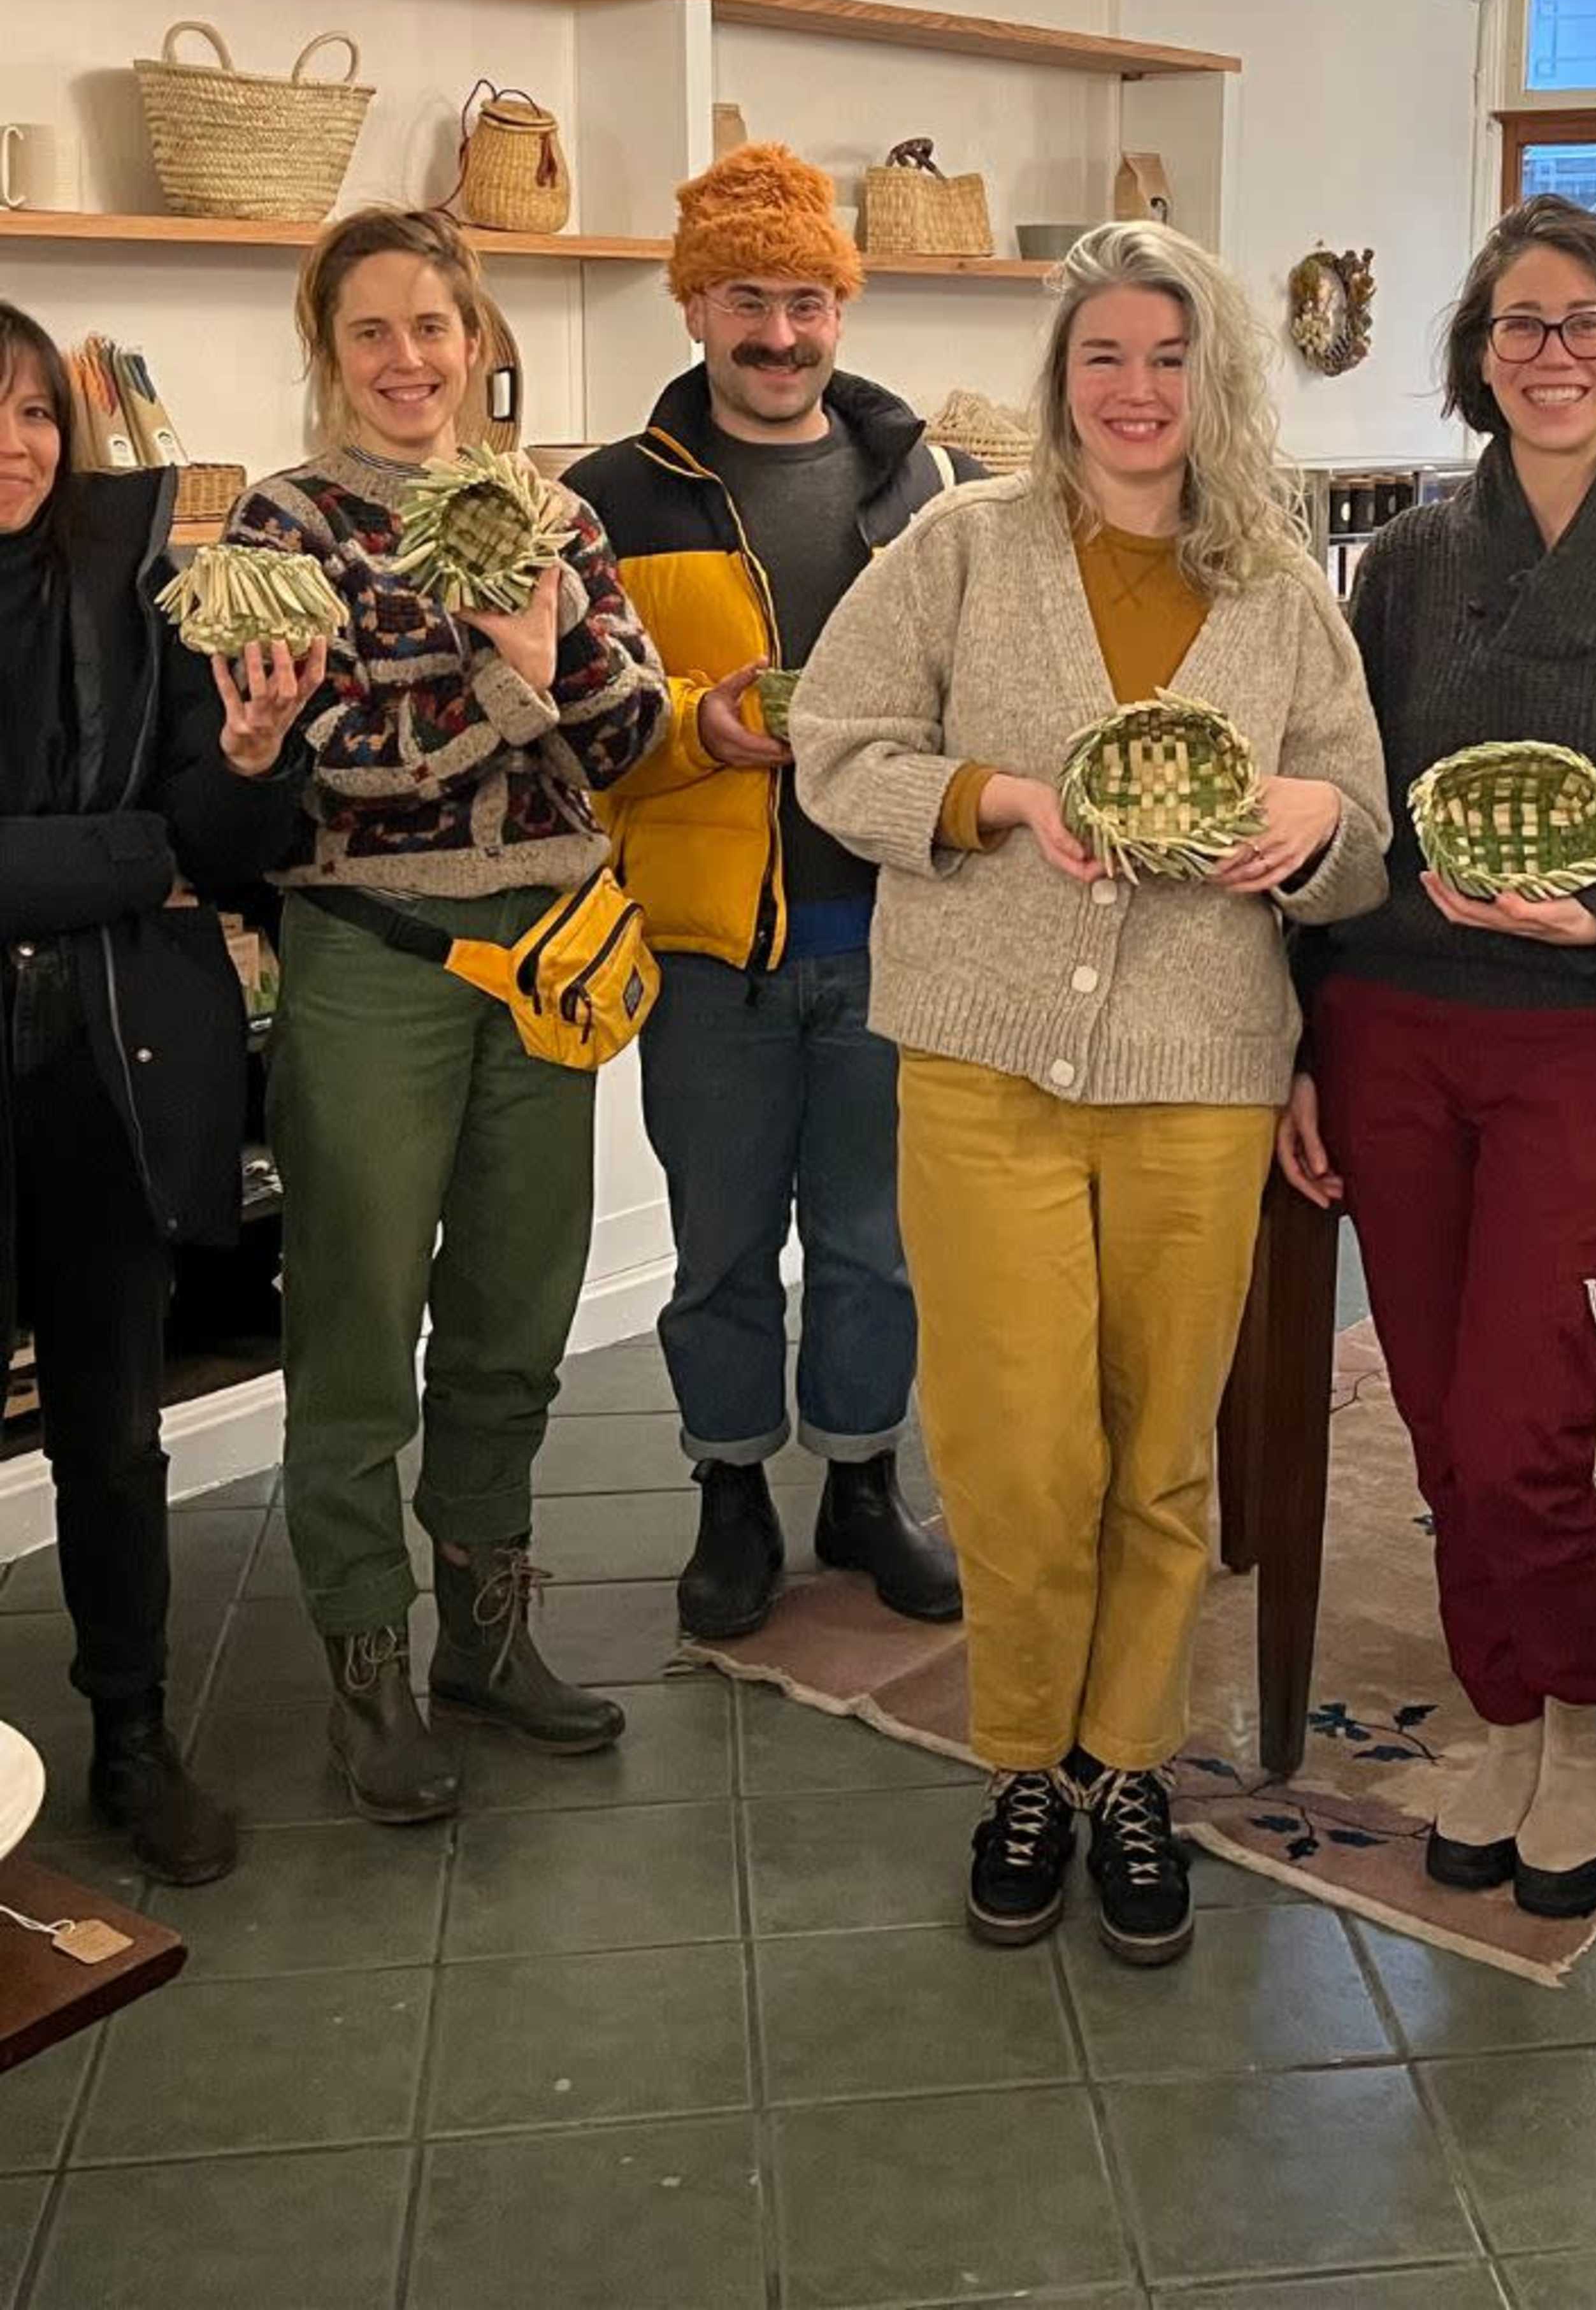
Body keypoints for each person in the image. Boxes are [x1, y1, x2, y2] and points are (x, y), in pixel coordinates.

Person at [793, 220, 1390, 1965]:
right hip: (983, 1061)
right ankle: (1021, 1767)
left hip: (1201, 1072)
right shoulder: (959, 550)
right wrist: (997, 799)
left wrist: (1315, 830)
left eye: (1170, 357)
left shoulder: (1281, 585)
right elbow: (839, 746)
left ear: (1219, 379)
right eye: (1104, 359)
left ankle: (1128, 1766)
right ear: (1063, 382)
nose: (1137, 392)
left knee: (1157, 1451)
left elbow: (1357, 820)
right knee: (1011, 1450)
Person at [1277, 194, 1596, 1919]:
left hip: (1573, 1039)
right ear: (1477, 362)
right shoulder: (1409, 568)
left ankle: (1592, 1705)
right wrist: (1299, 1046)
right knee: (1432, 1409)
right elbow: (1338, 810)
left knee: (1521, 1418)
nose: (1550, 355)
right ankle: (1504, 1711)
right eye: (1517, 328)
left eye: (1581, 327)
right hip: (1389, 1030)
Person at [223, 208, 668, 1827]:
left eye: (435, 327)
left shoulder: (556, 508)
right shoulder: (289, 524)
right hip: (373, 962)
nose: (411, 362)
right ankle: (368, 1671)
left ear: (480, 337)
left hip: (549, 954)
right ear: (326, 352)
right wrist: (520, 680)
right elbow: (338, 752)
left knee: (515, 1309)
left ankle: (488, 1635)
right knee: (354, 1325)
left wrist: (535, 681)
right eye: (372, 335)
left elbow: (635, 729)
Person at [570, 145, 974, 1643]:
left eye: (809, 302)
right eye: (749, 300)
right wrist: (697, 731)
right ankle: (729, 1494)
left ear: (841, 310)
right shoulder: (605, 500)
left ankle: (862, 1488)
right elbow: (576, 733)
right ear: (693, 307)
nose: (782, 335)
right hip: (706, 957)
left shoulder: (933, 491)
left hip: (900, 937)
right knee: (722, 1250)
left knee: (876, 1245)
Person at [0, 305, 317, 1882]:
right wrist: (128, 861)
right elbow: (155, 853)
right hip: (78, 996)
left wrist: (251, 758)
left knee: (114, 1436)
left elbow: (230, 847)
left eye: (38, 412)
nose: (16, 444)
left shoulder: (143, 587)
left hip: (101, 1070)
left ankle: (131, 1737)